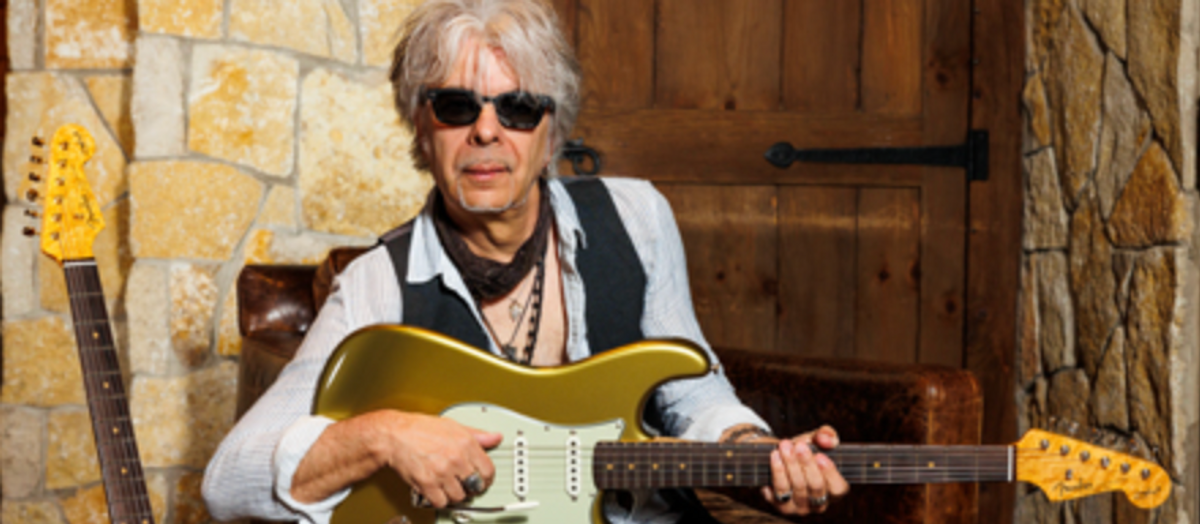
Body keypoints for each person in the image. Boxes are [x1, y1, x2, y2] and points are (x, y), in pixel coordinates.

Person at [202, 0, 848, 522]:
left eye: (517, 108)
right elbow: (228, 480)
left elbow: (693, 391)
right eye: (456, 106)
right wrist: (384, 435)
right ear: (420, 126)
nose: (486, 131)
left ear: (551, 130)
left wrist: (753, 451)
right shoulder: (378, 283)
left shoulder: (638, 217)